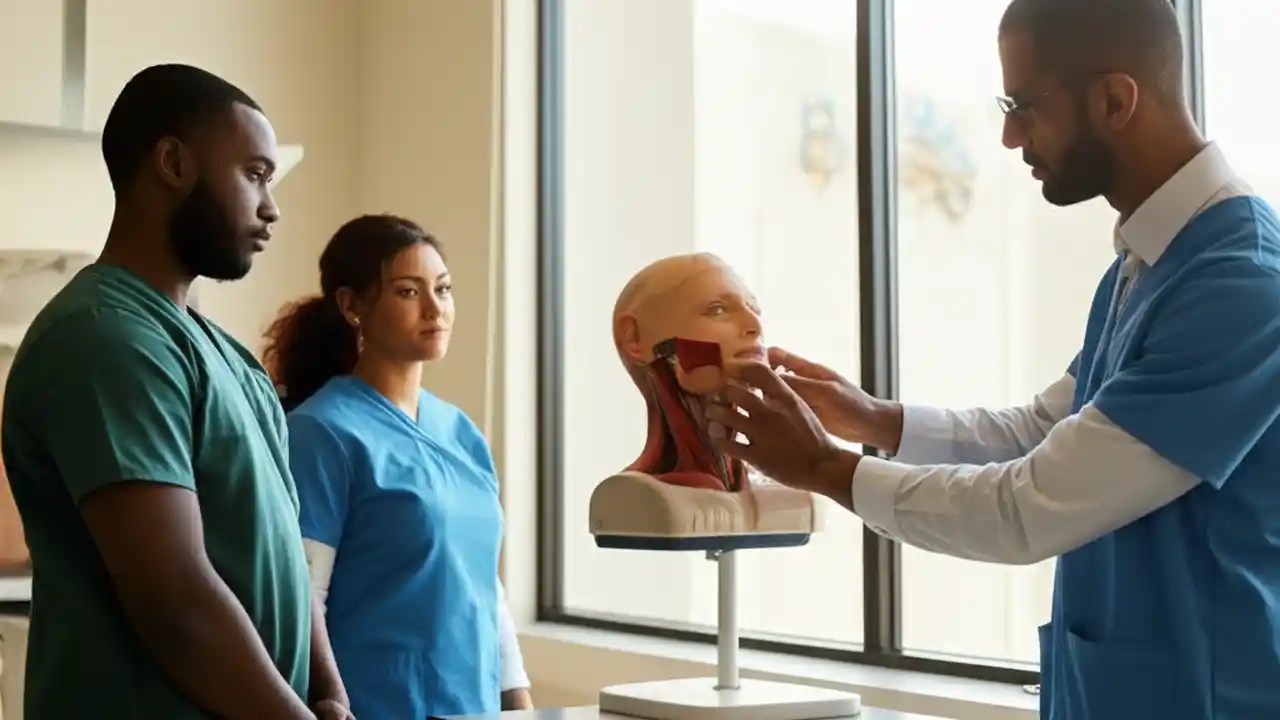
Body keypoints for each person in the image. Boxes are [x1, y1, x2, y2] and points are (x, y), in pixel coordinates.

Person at [707, 1, 1280, 718]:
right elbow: (1040, 429)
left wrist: (827, 467)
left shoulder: (1243, 287)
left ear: (1114, 100)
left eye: (1025, 105)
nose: (1011, 136)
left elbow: (1027, 507)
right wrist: (875, 419)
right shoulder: (1145, 264)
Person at [1, 64, 352, 719]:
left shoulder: (229, 361)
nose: (271, 206)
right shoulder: (105, 338)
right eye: (254, 174)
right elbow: (175, 600)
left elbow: (281, 553)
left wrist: (327, 692)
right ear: (172, 162)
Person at [262, 214, 533, 719]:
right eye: (409, 292)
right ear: (352, 306)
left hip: (474, 707)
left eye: (444, 289)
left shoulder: (461, 433)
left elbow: (485, 592)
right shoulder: (322, 432)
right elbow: (302, 603)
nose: (435, 309)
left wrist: (519, 706)